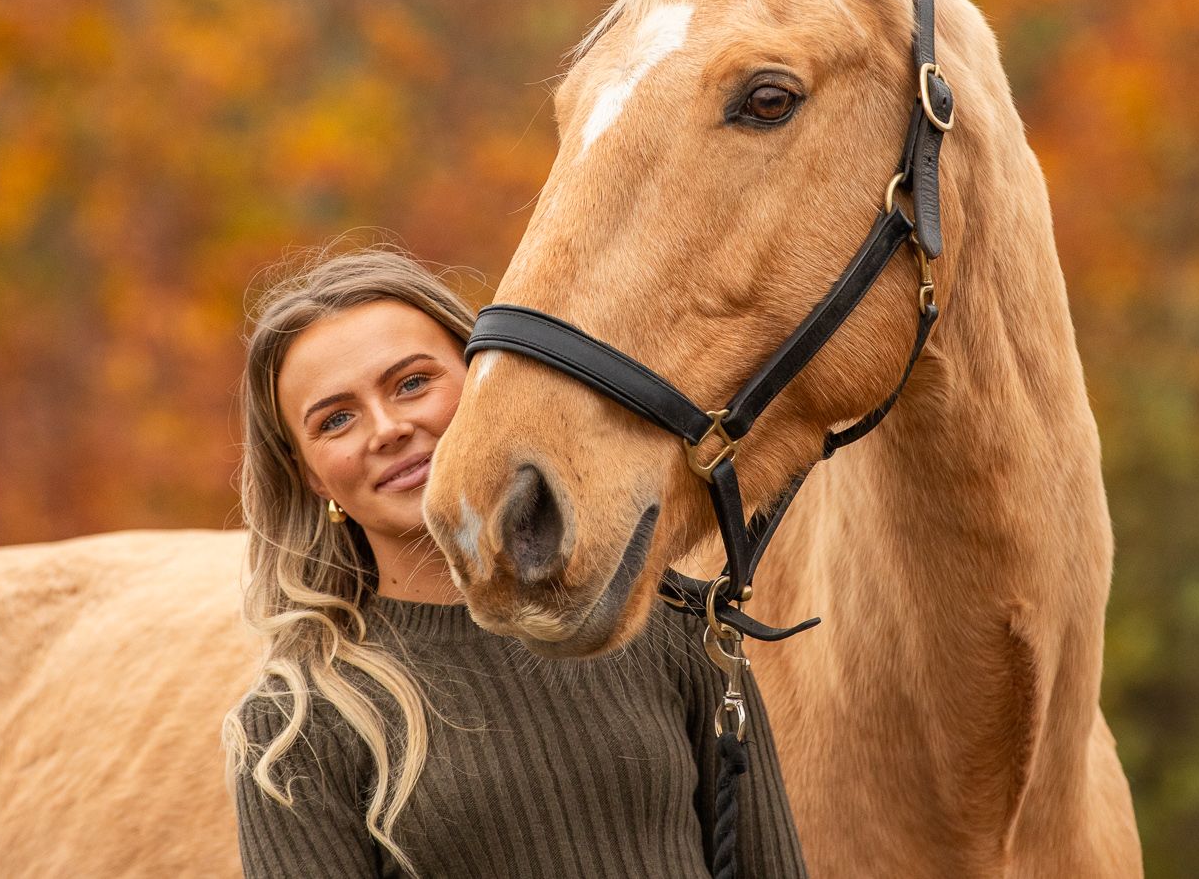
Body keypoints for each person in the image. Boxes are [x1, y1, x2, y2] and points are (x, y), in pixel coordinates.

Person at [222, 246, 809, 878]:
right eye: (336, 419)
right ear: (310, 477)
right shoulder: (293, 728)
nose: (388, 428)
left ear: (484, 380)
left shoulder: (667, 624)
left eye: (413, 383)